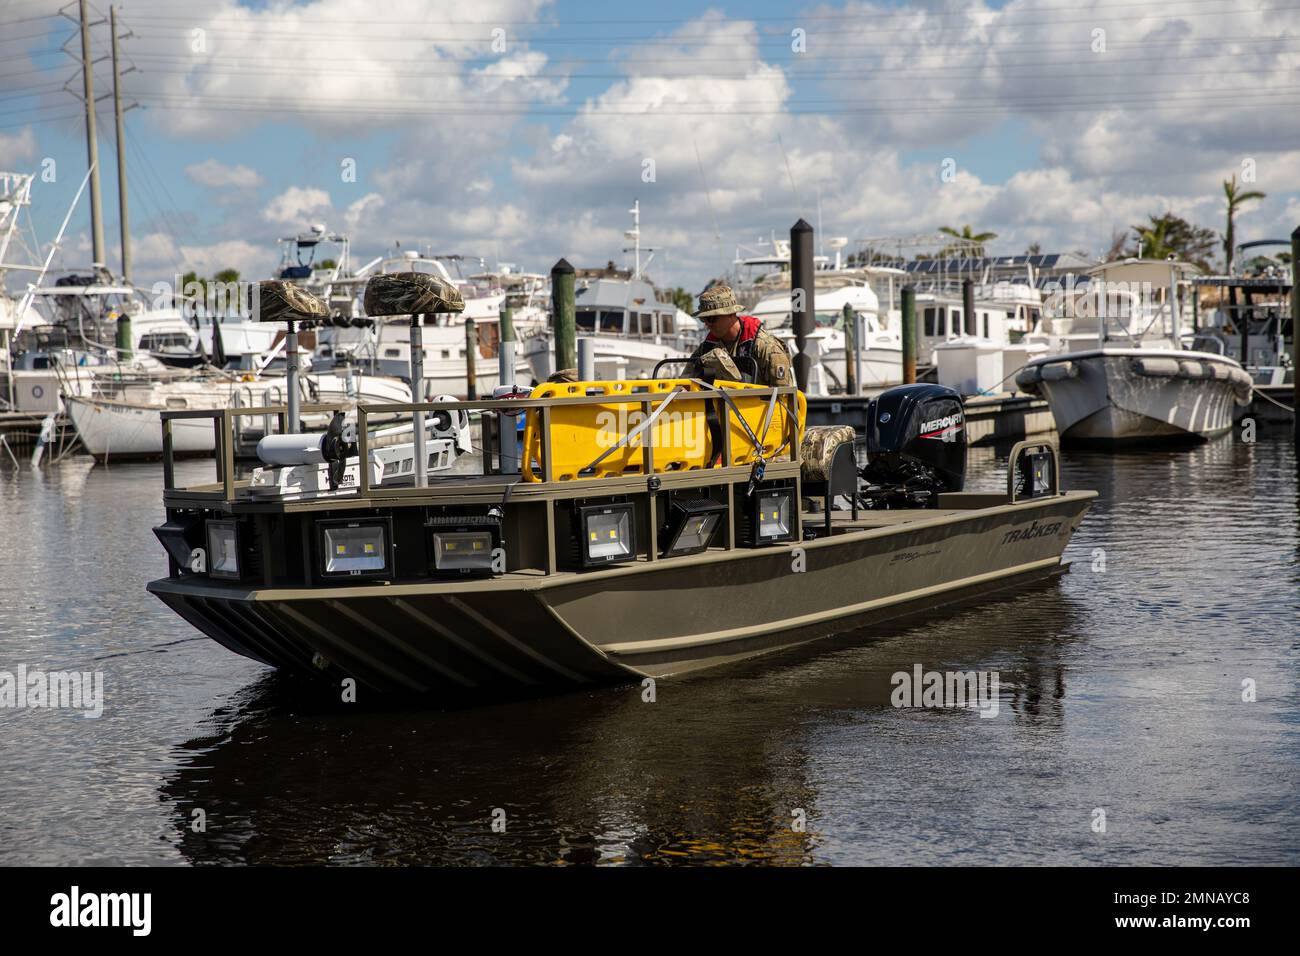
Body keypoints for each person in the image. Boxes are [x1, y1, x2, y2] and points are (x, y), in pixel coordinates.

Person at [685, 284, 793, 387]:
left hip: (758, 406)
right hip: (719, 406)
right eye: (703, 319)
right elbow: (684, 383)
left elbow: (783, 397)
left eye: (711, 318)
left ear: (731, 314)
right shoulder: (706, 349)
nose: (707, 324)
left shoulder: (766, 347)